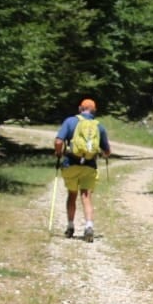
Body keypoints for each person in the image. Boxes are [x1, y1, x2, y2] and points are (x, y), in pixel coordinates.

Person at [54, 99, 111, 241]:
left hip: (71, 164)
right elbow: (107, 151)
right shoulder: (99, 127)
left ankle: (70, 226)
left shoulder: (70, 121)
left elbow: (58, 141)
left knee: (72, 194)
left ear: (80, 108)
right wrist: (102, 155)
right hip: (90, 166)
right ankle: (89, 226)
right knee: (86, 196)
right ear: (94, 111)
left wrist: (59, 153)